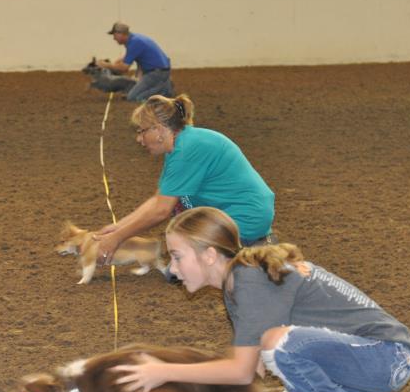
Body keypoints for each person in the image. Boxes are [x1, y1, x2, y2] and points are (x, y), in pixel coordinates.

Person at [114, 207, 410, 392]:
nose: (172, 269)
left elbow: (242, 370)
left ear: (209, 255)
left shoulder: (250, 281)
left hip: (386, 355)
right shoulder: (239, 286)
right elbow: (252, 373)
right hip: (362, 362)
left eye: (177, 256)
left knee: (279, 344)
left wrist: (164, 372)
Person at [94, 94, 276, 268]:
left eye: (142, 131)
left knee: (182, 269)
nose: (139, 139)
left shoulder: (185, 151)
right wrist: (117, 228)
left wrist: (117, 238)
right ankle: (249, 247)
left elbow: (161, 210)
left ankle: (248, 251)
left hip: (243, 217)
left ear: (159, 129)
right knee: (180, 259)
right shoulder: (182, 144)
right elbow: (159, 199)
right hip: (243, 213)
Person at [97, 22, 173, 103]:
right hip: (161, 70)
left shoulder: (134, 43)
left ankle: (164, 92)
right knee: (134, 88)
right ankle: (163, 86)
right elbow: (134, 58)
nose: (114, 38)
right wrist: (138, 76)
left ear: (120, 34)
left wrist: (106, 65)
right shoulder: (135, 39)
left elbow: (124, 68)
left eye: (114, 35)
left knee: (133, 97)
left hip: (156, 73)